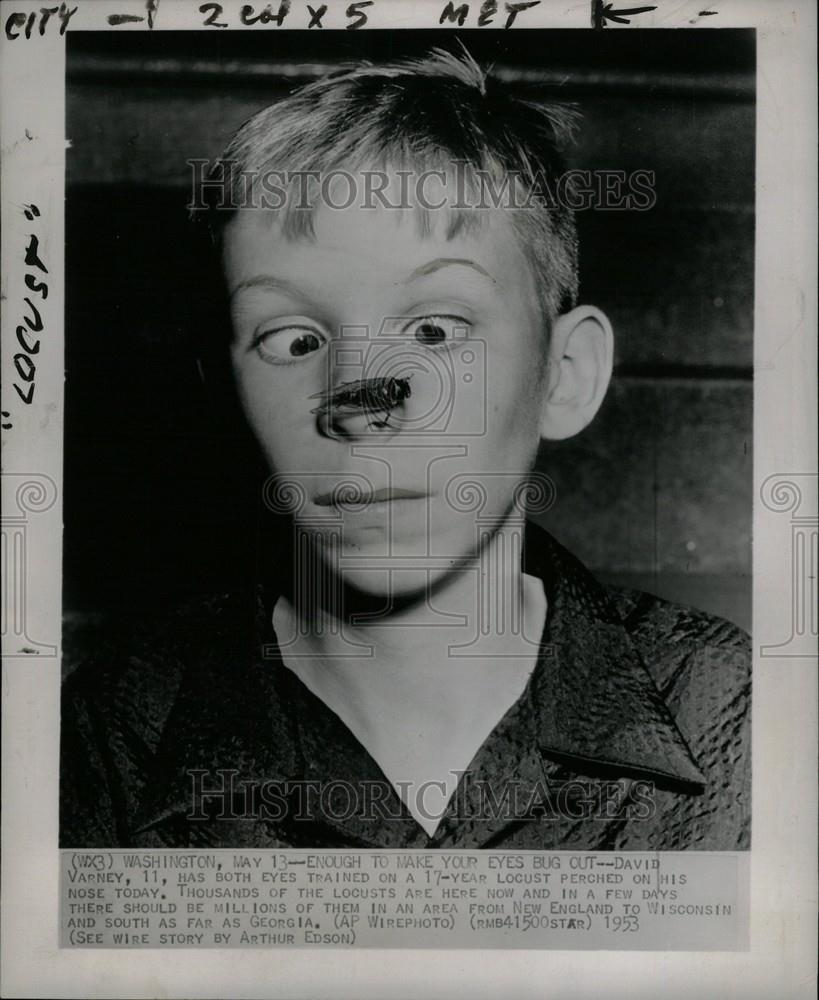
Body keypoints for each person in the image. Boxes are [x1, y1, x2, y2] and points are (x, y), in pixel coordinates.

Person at [60, 48, 750, 851]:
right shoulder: (115, 728)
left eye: (434, 329)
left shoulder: (735, 711)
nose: (361, 403)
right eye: (293, 339)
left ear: (564, 375)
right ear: (226, 394)